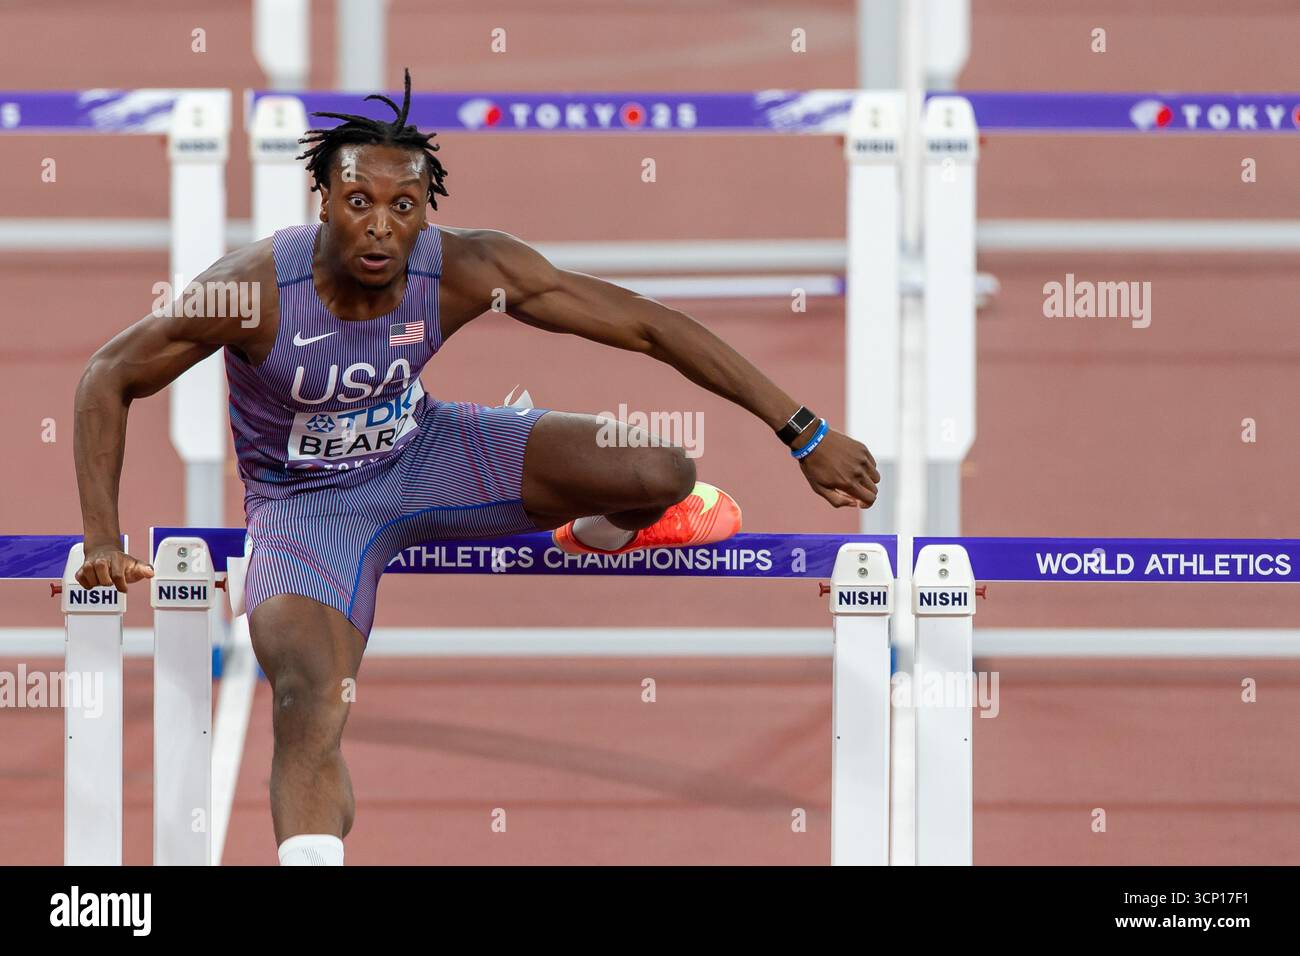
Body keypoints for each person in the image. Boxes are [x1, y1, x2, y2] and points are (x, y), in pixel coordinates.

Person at [72, 70, 880, 865]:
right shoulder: (254, 291)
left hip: (431, 453)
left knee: (659, 470)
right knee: (306, 701)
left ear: (428, 210)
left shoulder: (464, 268)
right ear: (323, 200)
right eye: (359, 204)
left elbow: (645, 325)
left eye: (404, 207)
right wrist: (102, 535)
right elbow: (108, 375)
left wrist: (802, 431)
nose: (381, 228)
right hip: (306, 509)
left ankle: (594, 531)